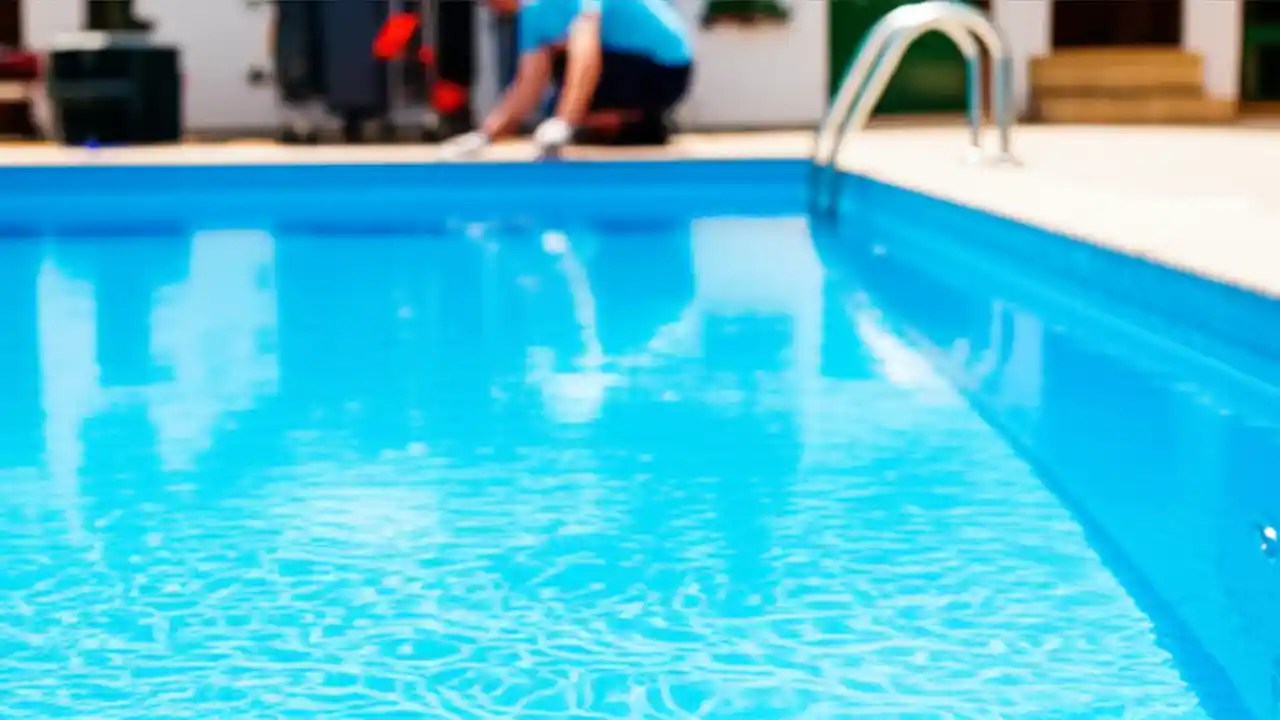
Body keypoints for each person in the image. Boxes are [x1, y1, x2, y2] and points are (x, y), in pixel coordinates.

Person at [444, 0, 693, 158]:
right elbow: (528, 83)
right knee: (553, 106)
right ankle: (634, 124)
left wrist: (564, 122)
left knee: (563, 102)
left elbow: (586, 58)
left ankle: (642, 119)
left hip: (664, 68)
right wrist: (484, 136)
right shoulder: (531, 15)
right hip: (624, 60)